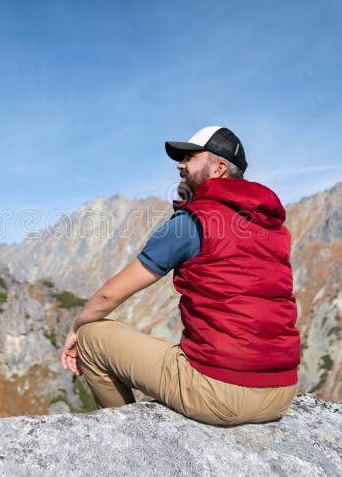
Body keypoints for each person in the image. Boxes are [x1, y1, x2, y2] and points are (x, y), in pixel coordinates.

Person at [60, 126, 300, 425]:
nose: (180, 164)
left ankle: (123, 440)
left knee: (91, 338)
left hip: (222, 395)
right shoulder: (273, 229)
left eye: (190, 156)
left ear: (219, 168)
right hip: (282, 394)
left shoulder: (194, 221)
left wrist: (75, 327)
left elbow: (110, 295)